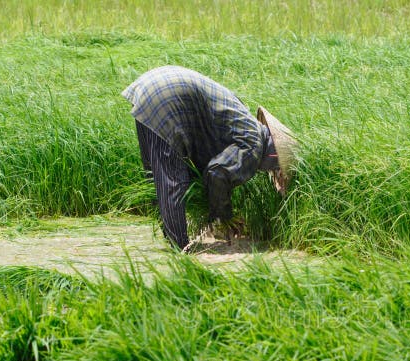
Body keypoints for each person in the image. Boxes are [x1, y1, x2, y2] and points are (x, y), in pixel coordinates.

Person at [122, 66, 296, 251]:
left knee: (155, 179)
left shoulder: (248, 125)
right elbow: (217, 173)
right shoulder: (254, 145)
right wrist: (224, 216)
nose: (269, 171)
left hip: (152, 89)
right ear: (274, 156)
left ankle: (171, 244)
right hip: (167, 101)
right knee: (172, 180)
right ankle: (180, 249)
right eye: (275, 168)